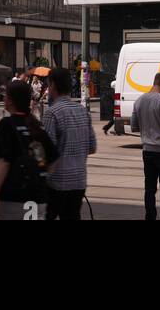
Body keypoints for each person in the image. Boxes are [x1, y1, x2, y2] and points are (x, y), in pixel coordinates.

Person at [0, 81, 59, 220]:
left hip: (12, 199)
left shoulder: (7, 124)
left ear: (12, 100)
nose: (4, 99)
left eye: (6, 96)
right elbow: (54, 159)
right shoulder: (37, 126)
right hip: (37, 198)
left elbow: (4, 163)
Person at [41, 68, 97, 220]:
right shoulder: (82, 111)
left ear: (52, 85)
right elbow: (92, 147)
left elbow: (47, 152)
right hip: (79, 180)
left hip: (57, 182)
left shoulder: (51, 113)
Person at [130, 72, 160, 221]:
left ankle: (150, 217)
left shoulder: (139, 101)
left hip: (147, 151)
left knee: (149, 189)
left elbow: (133, 127)